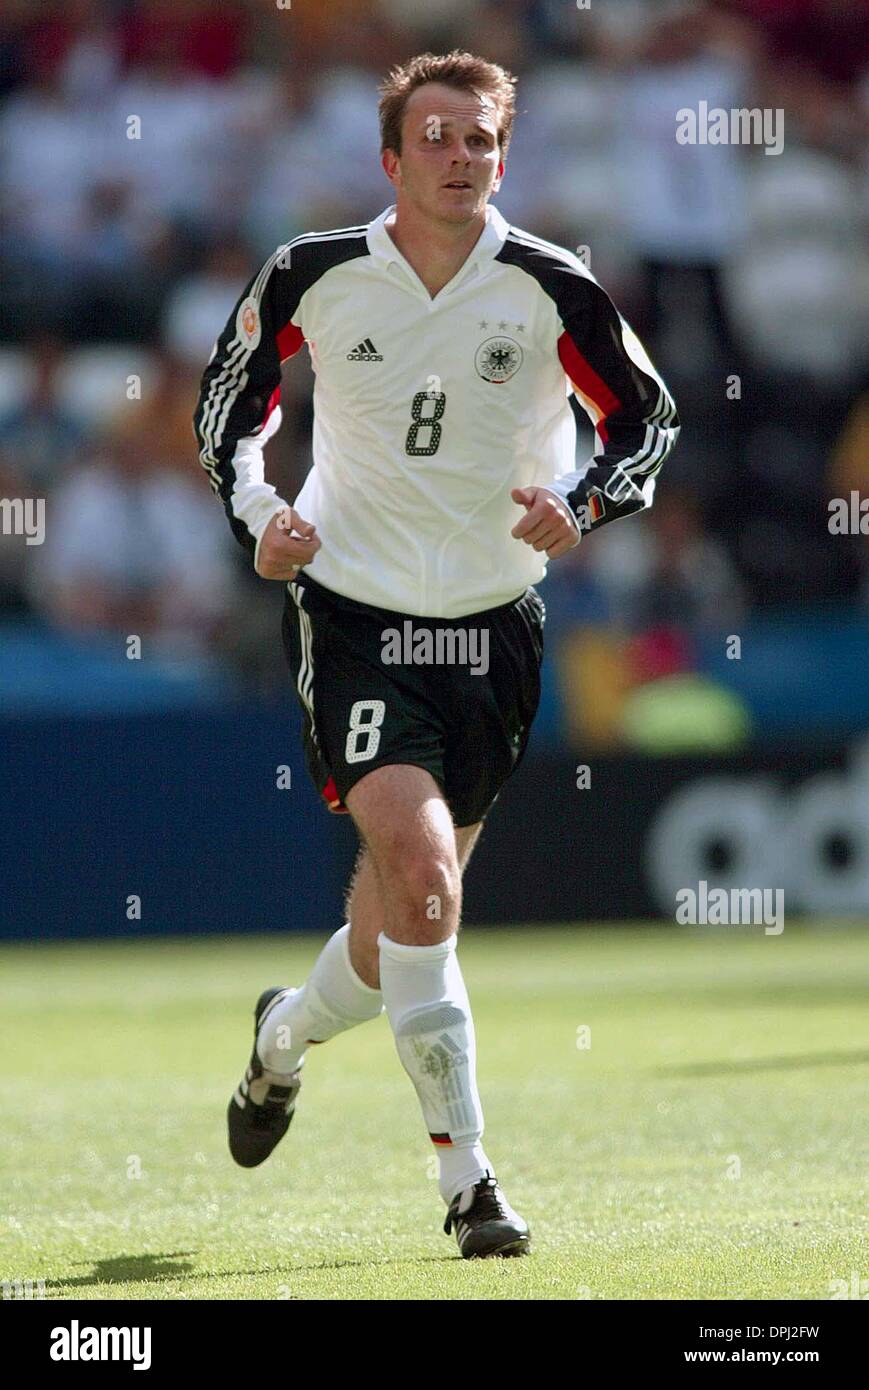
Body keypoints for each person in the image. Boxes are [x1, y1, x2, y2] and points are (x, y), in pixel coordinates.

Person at [193, 49, 679, 1259]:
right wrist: (264, 520)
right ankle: (469, 1183)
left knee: (405, 915)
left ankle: (281, 1040)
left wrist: (587, 502)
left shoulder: (548, 285)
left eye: (481, 140)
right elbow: (225, 407)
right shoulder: (313, 273)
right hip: (352, 611)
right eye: (439, 138)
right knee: (420, 880)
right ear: (390, 158)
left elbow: (647, 420)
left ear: (502, 156)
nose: (462, 159)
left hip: (493, 627)